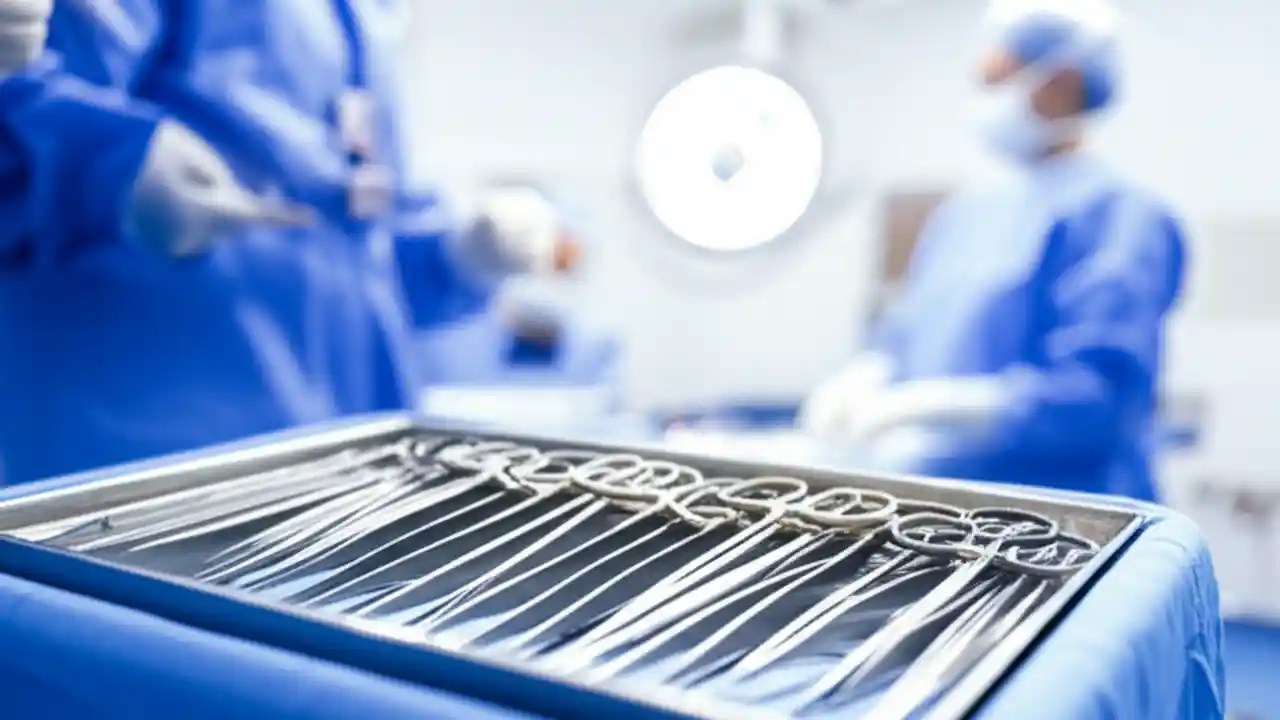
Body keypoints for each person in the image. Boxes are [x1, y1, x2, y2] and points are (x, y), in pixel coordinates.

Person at [0, 0, 574, 484]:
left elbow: (355, 256)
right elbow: (20, 117)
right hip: (132, 472)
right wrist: (108, 164)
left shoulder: (370, 19)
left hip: (338, 468)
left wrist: (455, 260)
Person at [801, 0, 1185, 501]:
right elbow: (909, 334)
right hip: (946, 509)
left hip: (1070, 521)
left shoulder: (1120, 216)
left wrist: (937, 407)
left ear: (1063, 83)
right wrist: (871, 374)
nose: (985, 96)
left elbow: (1097, 400)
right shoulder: (963, 214)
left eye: (998, 79)